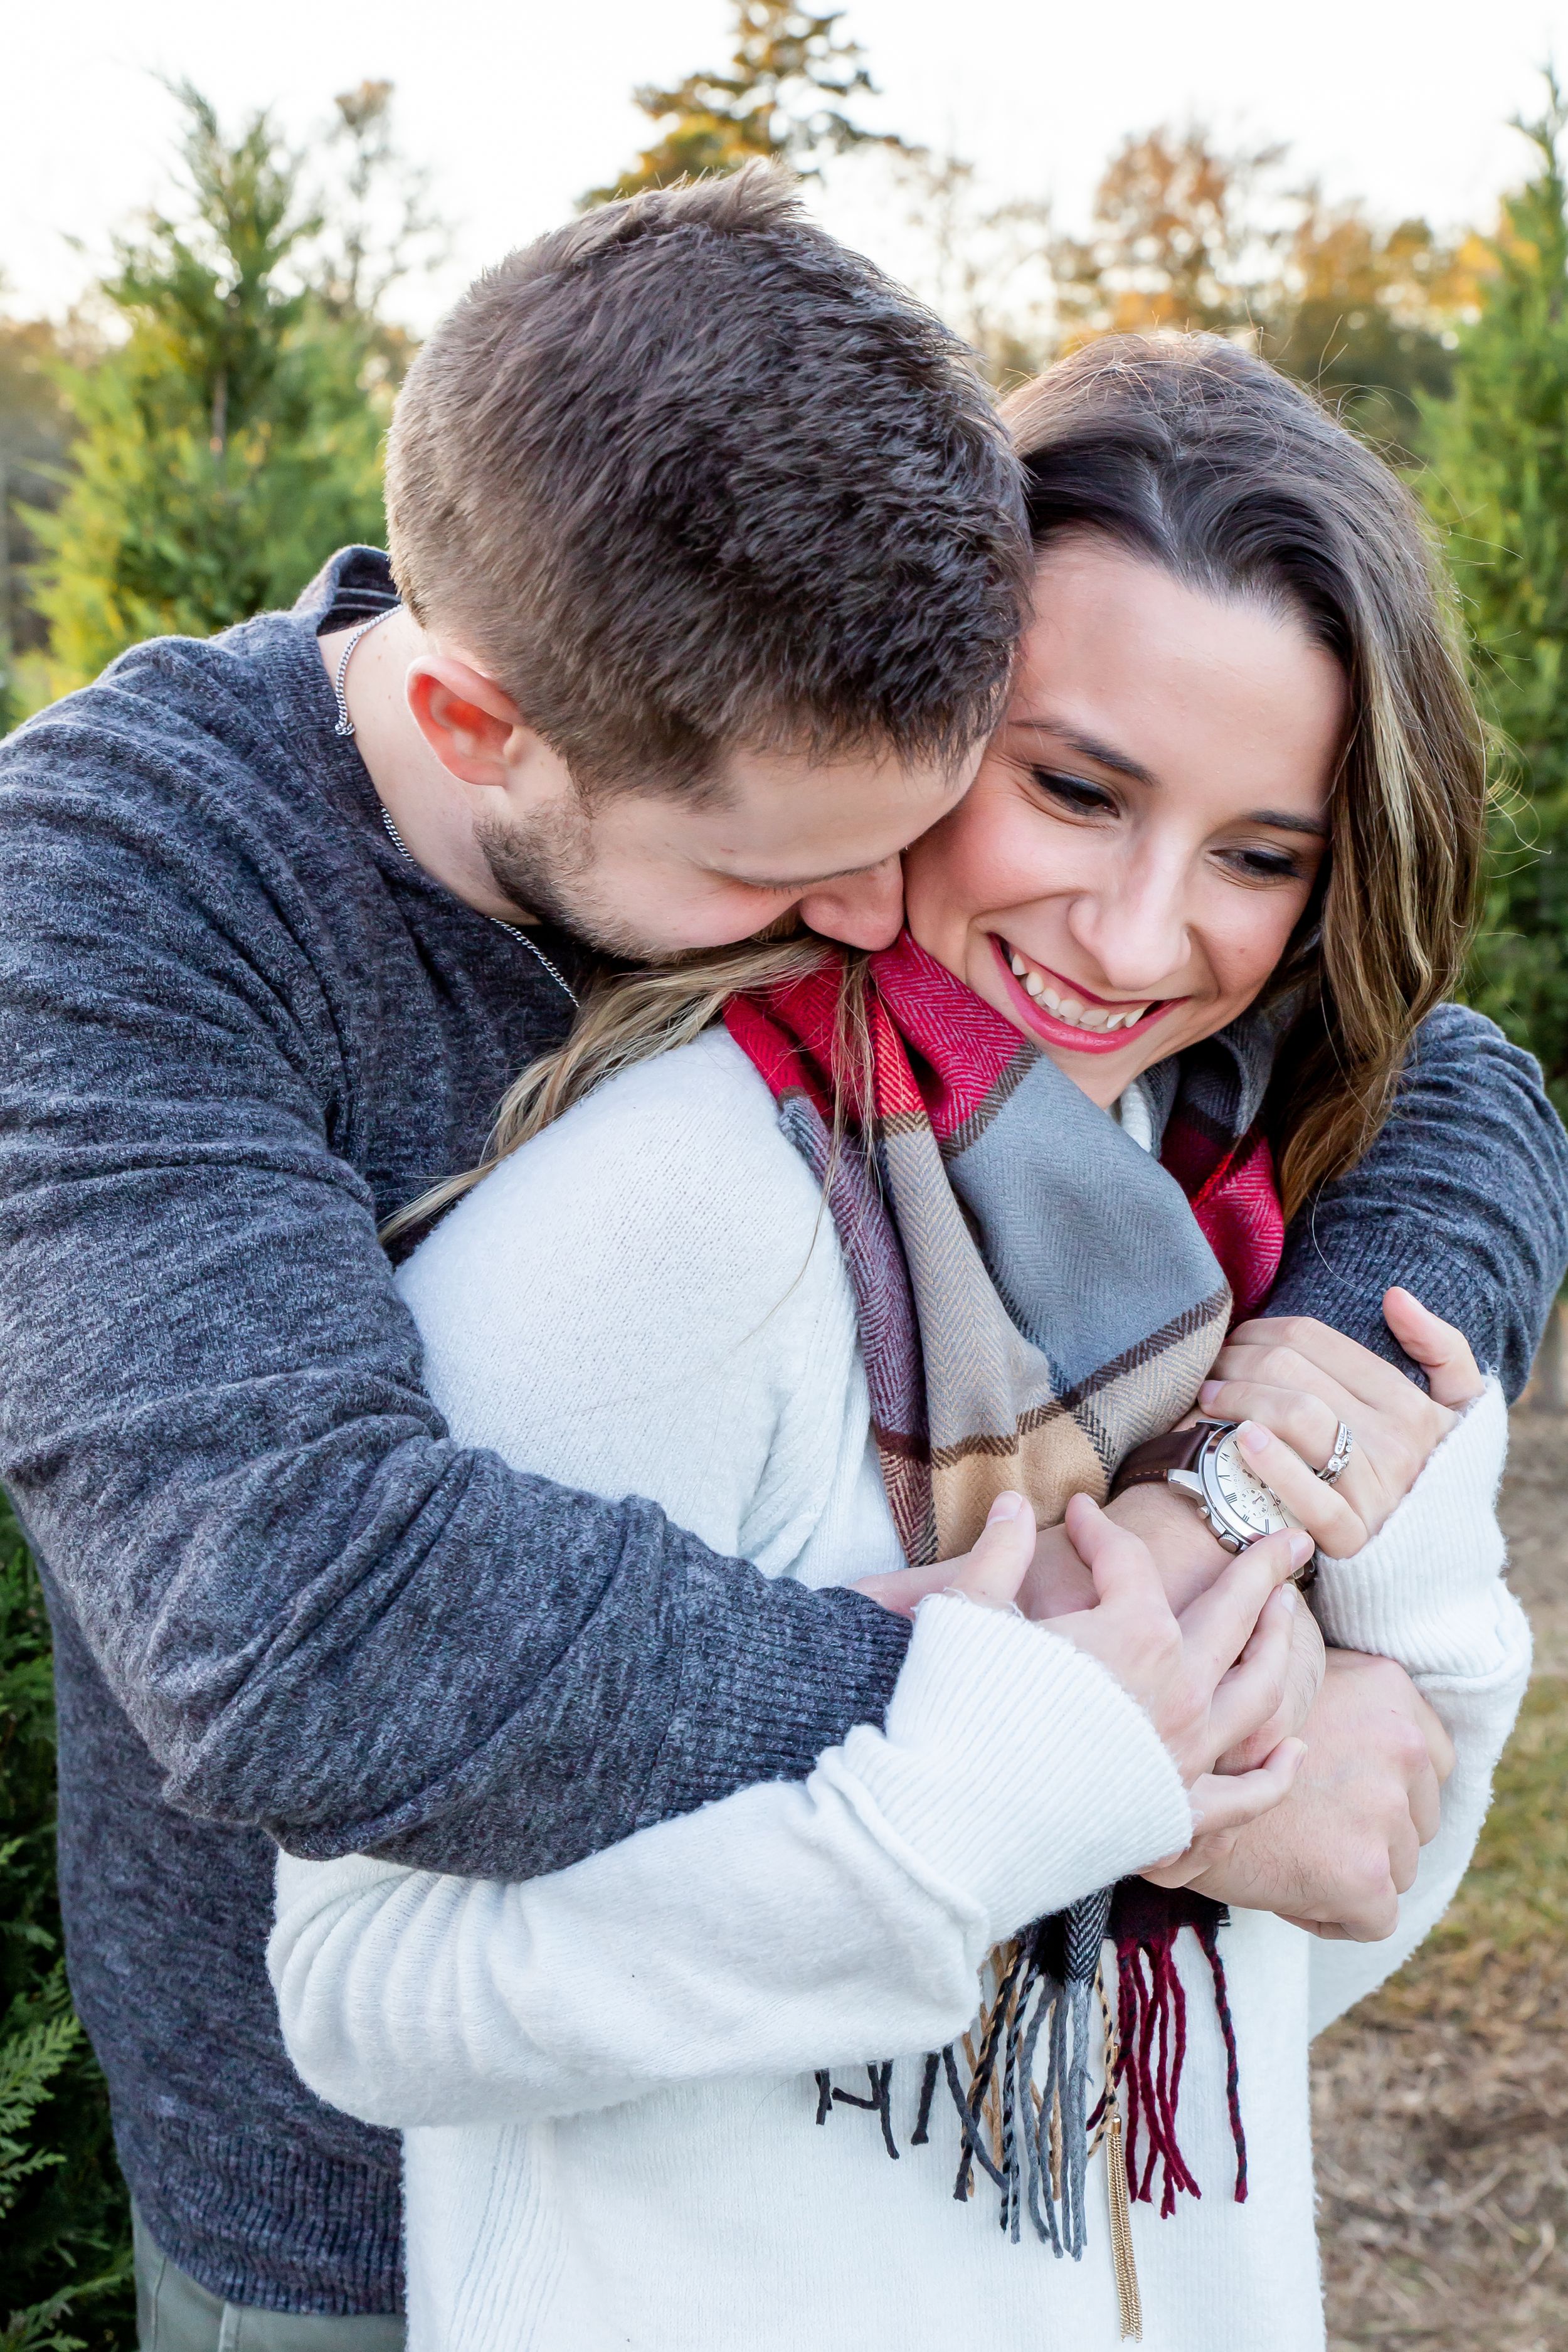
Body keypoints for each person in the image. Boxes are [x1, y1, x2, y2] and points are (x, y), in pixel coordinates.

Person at [0, 174, 1558, 2339]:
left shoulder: (837, 769)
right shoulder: (120, 897)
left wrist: (1307, 1389)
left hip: (892, 2152)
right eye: (783, 872)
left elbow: (1441, 1067)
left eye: (897, 831)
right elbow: (302, 1627)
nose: (856, 927)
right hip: (373, 2203)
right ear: (479, 731)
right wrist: (1124, 1738)